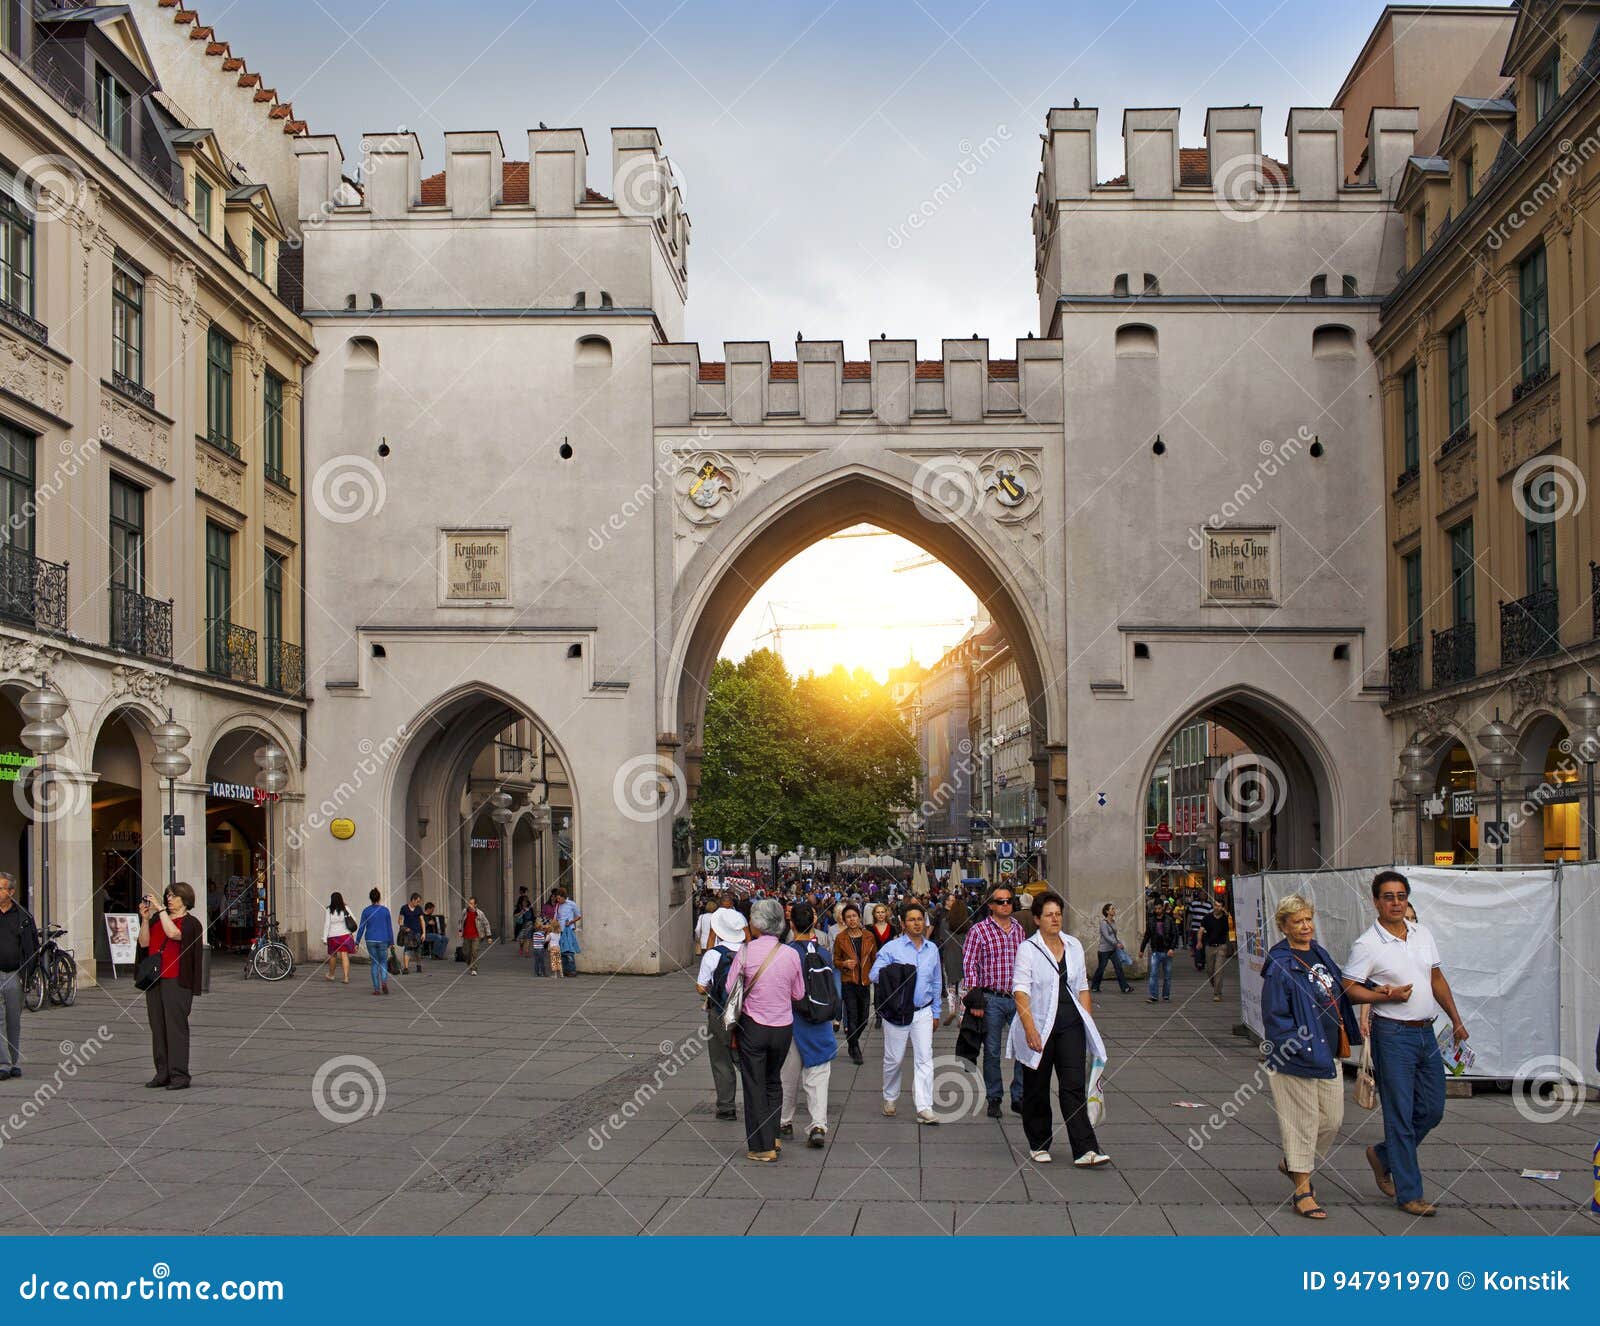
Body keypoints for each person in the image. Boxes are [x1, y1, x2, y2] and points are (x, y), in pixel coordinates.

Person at [1342, 869, 1467, 1218]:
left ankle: (1383, 1155)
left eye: (1401, 896)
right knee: (1399, 1114)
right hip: (1392, 1034)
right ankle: (1409, 1194)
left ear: (1407, 899)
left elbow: (1436, 978)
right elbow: (1349, 988)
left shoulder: (1422, 933)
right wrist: (1382, 993)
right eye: (1388, 897)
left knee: (1432, 1109)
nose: (1395, 903)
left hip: (1426, 1032)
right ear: (1376, 902)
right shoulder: (1368, 944)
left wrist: (1456, 1019)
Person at [1261, 893, 1393, 1219]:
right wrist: (1299, 1048)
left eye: (1308, 919)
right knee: (1303, 1123)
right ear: (1284, 926)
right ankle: (1303, 1191)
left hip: (1329, 1051)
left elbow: (1342, 987)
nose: (1305, 926)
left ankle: (1295, 1162)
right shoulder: (1280, 964)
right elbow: (1275, 1018)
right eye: (1298, 922)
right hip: (1298, 1056)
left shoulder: (1318, 951)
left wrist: (1378, 991)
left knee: (1332, 1121)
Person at [1011, 891, 1110, 1166]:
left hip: (1070, 1024)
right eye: (1049, 915)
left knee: (1073, 1086)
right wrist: (1030, 1029)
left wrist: (1087, 1022)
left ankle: (1085, 1148)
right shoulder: (1028, 950)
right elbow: (1020, 991)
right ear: (1037, 920)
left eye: (1058, 914)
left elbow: (1083, 986)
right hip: (1040, 1025)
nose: (1055, 919)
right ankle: (1039, 1142)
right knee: (1037, 1087)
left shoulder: (1074, 945)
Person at [723, 898, 805, 1161]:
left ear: (756, 923)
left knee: (754, 1084)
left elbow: (728, 988)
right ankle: (774, 1135)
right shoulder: (792, 954)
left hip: (753, 1026)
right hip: (783, 1028)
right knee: (773, 1081)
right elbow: (799, 992)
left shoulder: (745, 952)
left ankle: (762, 1146)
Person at [869, 901, 943, 1125]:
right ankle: (890, 1097)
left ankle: (924, 1107)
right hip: (898, 1012)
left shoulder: (932, 950)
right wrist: (896, 973)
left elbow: (938, 981)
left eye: (920, 919)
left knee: (925, 1058)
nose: (917, 923)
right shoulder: (892, 949)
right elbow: (874, 975)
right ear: (902, 923)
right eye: (911, 919)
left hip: (924, 1010)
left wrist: (937, 1011)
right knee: (894, 1059)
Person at [962, 884, 1027, 1118]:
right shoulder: (979, 930)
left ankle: (1019, 1095)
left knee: (1024, 1047)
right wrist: (975, 1000)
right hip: (991, 999)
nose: (1006, 904)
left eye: (1009, 900)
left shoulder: (1019, 929)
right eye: (1000, 901)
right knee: (991, 1051)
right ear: (990, 905)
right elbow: (969, 965)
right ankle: (994, 1097)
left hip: (1018, 998)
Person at [137, 882, 204, 1089]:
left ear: (185, 900)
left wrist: (162, 910)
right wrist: (146, 920)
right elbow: (143, 943)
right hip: (155, 980)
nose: (169, 899)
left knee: (175, 1028)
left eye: (173, 896)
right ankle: (162, 1072)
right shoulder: (158, 919)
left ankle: (180, 1075)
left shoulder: (190, 923)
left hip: (176, 980)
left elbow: (174, 934)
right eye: (167, 895)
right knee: (157, 1027)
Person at [780, 902, 836, 1146]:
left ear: (791, 924)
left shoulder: (787, 952)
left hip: (793, 1021)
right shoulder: (823, 953)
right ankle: (818, 1125)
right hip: (820, 1022)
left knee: (787, 1076)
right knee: (818, 1075)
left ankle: (784, 1121)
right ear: (814, 923)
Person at [697, 907, 748, 1120]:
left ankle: (726, 1106)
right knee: (746, 1057)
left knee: (720, 1058)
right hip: (747, 1012)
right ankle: (757, 1099)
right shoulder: (750, 951)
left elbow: (701, 987)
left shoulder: (713, 954)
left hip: (720, 1011)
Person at [0, 872, 38, 1079]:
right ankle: (3, 1064)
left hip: (15, 975)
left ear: (11, 892)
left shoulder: (23, 916)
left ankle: (14, 1061)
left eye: (0, 888)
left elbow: (33, 947)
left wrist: (28, 974)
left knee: (13, 1020)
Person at [832, 902, 877, 1065]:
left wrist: (874, 975)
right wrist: (844, 964)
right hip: (848, 981)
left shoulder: (869, 936)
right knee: (852, 1015)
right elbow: (835, 960)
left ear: (859, 918)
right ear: (844, 920)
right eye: (848, 917)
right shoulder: (840, 938)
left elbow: (874, 959)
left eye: (854, 916)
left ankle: (852, 1041)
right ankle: (855, 1048)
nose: (852, 920)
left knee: (864, 1017)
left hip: (864, 981)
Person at [354, 887, 396, 995]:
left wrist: (357, 942)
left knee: (374, 963)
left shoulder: (366, 911)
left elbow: (361, 927)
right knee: (383, 962)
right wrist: (392, 942)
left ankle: (377, 989)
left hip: (370, 940)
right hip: (383, 940)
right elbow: (389, 928)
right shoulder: (385, 911)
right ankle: (384, 982)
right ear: (379, 898)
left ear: (370, 898)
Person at [1140, 901, 1181, 1002]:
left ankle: (1166, 995)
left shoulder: (1169, 919)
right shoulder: (1151, 920)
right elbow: (1147, 936)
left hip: (1167, 951)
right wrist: (1142, 950)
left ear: (1163, 908)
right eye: (1156, 908)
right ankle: (1154, 996)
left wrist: (1172, 948)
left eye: (1159, 908)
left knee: (1167, 975)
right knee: (1153, 974)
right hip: (1156, 951)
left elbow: (1175, 935)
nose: (1157, 910)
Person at [1089, 902, 1132, 994]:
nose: (1114, 910)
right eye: (1112, 909)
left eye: (1114, 909)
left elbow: (1114, 935)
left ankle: (1125, 987)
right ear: (1107, 911)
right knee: (1101, 968)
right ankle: (1095, 986)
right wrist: (1116, 944)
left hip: (1112, 950)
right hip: (1103, 950)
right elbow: (1106, 936)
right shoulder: (1103, 923)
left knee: (1118, 967)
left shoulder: (1113, 922)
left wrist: (1119, 942)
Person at [869, 902, 896, 1028]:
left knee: (890, 989)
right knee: (878, 990)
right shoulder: (869, 929)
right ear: (874, 914)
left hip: (890, 962)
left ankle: (890, 1012)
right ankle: (879, 1015)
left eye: (882, 912)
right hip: (876, 962)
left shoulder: (893, 928)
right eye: (878, 912)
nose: (880, 914)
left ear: (886, 913)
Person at [1199, 899, 1232, 1002]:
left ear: (1222, 907)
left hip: (1221, 947)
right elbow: (1200, 930)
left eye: (1219, 906)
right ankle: (1216, 986)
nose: (1216, 908)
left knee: (1218, 970)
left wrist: (1232, 945)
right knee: (1210, 971)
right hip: (1209, 947)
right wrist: (1199, 942)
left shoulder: (1226, 919)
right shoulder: (1207, 917)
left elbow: (1231, 931)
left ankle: (1217, 993)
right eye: (1215, 905)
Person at [323, 890, 356, 983]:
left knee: (333, 956)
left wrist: (325, 937)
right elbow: (353, 919)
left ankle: (331, 975)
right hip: (345, 935)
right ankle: (346, 977)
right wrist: (352, 933)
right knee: (344, 955)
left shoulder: (329, 909)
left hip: (332, 936)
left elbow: (327, 924)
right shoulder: (345, 908)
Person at [459, 895, 492, 974]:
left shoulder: (480, 913)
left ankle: (474, 969)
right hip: (466, 935)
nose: (469, 905)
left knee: (474, 952)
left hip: (476, 936)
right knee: (466, 953)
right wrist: (460, 930)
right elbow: (460, 921)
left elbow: (486, 923)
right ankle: (470, 964)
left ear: (475, 905)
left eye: (471, 903)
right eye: (469, 903)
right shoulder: (465, 911)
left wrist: (489, 936)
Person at [555, 889, 581, 976]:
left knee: (569, 951)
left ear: (563, 897)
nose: (558, 900)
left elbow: (579, 916)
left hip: (568, 930)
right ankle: (566, 970)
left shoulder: (571, 904)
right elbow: (555, 918)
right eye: (557, 898)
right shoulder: (557, 905)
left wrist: (571, 922)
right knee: (562, 951)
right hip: (560, 931)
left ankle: (572, 970)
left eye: (559, 898)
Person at [398, 892, 425, 975]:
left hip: (417, 932)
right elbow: (400, 920)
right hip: (408, 933)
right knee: (407, 949)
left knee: (418, 950)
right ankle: (406, 968)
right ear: (413, 900)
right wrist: (404, 927)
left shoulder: (419, 909)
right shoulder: (404, 908)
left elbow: (422, 920)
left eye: (419, 901)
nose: (418, 903)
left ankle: (419, 965)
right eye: (417, 901)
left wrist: (424, 933)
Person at [513, 890, 534, 956]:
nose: (525, 902)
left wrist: (532, 923)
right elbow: (515, 915)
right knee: (521, 939)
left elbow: (532, 916)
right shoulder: (519, 908)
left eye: (526, 901)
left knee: (528, 938)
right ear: (521, 902)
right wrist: (521, 912)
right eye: (524, 901)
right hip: (521, 925)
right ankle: (521, 947)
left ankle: (527, 951)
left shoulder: (530, 908)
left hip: (529, 925)